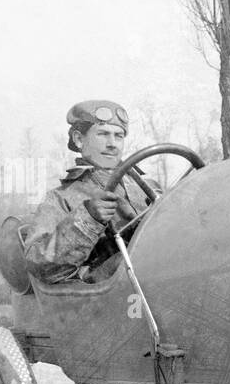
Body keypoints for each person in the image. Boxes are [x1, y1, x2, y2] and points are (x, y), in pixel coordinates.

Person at [22, 100, 156, 284]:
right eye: (103, 134)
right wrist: (88, 218)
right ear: (79, 139)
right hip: (107, 297)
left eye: (118, 136)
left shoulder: (148, 188)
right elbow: (40, 265)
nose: (112, 144)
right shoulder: (61, 198)